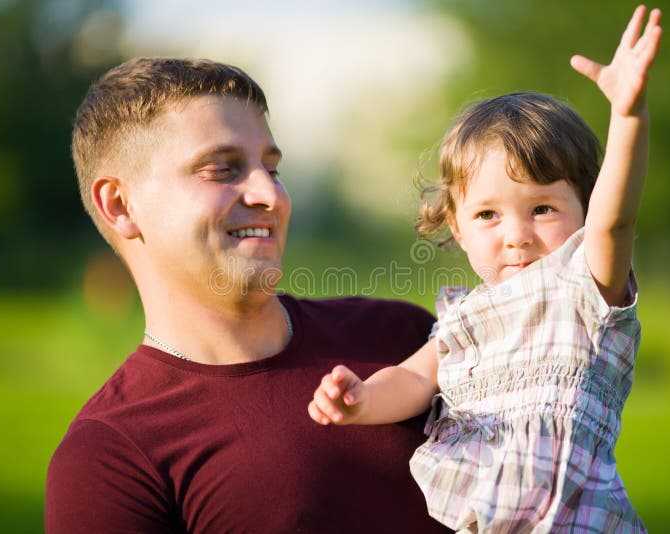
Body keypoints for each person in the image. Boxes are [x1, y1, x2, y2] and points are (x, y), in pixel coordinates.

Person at [45, 57, 449, 532]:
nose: (271, 195)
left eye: (272, 169)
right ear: (120, 205)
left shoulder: (403, 339)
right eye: (222, 169)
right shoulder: (110, 456)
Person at [309, 5, 662, 532]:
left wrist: (628, 116)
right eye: (488, 215)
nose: (516, 234)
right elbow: (411, 377)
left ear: (585, 209)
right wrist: (360, 401)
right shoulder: (464, 317)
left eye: (542, 208)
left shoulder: (583, 287)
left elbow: (617, 221)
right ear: (458, 227)